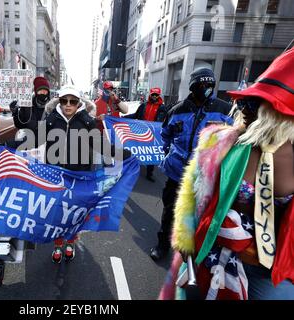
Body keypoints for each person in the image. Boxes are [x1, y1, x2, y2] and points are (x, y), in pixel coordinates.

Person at [163, 48, 294, 300]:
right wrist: (186, 252)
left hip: (274, 275)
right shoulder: (220, 142)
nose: (241, 106)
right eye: (243, 100)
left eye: (253, 102)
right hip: (213, 259)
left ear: (280, 113)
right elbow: (191, 201)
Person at [150, 68, 233, 261]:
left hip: (206, 176)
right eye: (203, 85)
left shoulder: (225, 110)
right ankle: (163, 245)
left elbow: (233, 138)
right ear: (193, 86)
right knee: (170, 211)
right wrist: (169, 154)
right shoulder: (177, 110)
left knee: (200, 215)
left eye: (210, 85)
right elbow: (165, 135)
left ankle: (192, 251)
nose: (207, 89)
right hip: (176, 173)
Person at [43, 86, 98, 263]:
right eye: (64, 100)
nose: (68, 105)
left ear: (78, 103)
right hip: (55, 175)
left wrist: (124, 154)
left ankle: (71, 242)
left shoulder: (87, 122)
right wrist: (9, 145)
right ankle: (58, 244)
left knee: (75, 212)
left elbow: (99, 145)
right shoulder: (51, 120)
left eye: (72, 101)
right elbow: (34, 138)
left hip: (79, 176)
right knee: (57, 212)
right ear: (59, 101)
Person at [124, 87, 167, 182]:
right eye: (153, 94)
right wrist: (122, 118)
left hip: (153, 134)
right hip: (140, 132)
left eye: (156, 95)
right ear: (150, 94)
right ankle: (133, 168)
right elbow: (135, 115)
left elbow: (166, 121)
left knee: (150, 153)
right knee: (137, 150)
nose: (155, 96)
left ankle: (149, 173)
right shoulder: (143, 105)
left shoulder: (162, 108)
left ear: (159, 95)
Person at [10, 76, 52, 149]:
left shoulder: (53, 108)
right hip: (29, 145)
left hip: (47, 146)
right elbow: (20, 125)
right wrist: (15, 112)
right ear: (36, 92)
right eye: (40, 90)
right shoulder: (27, 106)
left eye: (45, 91)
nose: (43, 93)